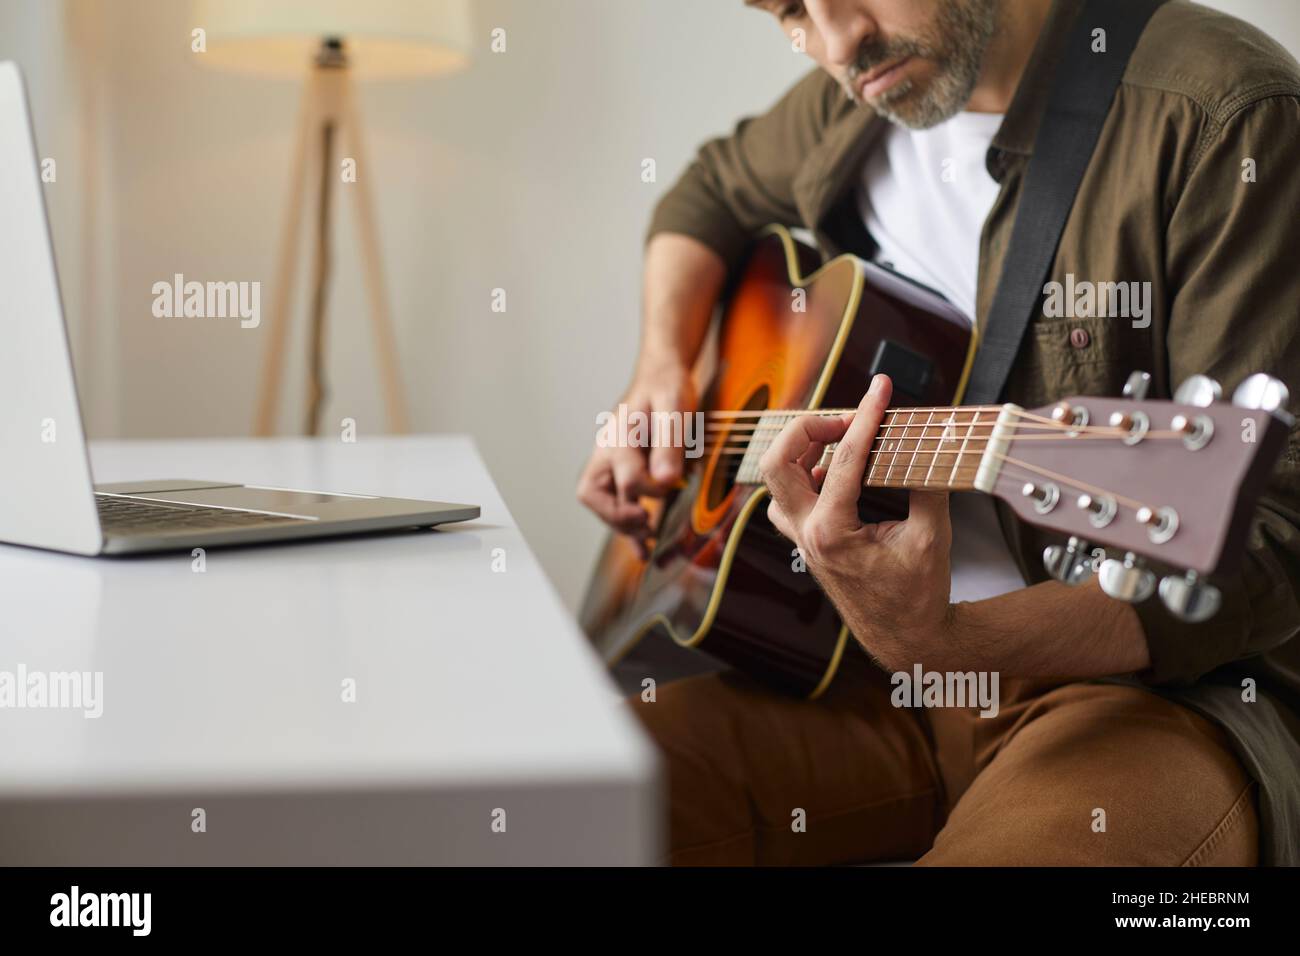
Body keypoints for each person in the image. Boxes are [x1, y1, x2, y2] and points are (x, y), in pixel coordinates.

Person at [576, 0, 1300, 865]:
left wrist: (949, 642)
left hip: (1139, 700)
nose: (836, 43)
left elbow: (1273, 543)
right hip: (856, 674)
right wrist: (660, 370)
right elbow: (707, 192)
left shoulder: (1224, 113)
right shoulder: (861, 94)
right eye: (789, 12)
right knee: (533, 812)